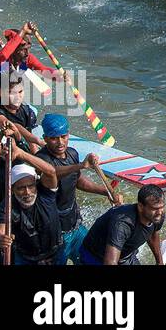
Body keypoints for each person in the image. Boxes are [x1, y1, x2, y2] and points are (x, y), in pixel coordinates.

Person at [34, 112, 116, 266]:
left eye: (63, 136)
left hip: (75, 225)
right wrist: (80, 165)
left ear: (68, 135)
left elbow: (77, 180)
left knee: (93, 259)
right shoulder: (41, 159)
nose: (60, 142)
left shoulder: (72, 153)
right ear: (45, 139)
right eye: (54, 138)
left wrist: (104, 190)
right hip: (54, 232)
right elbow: (51, 171)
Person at [0, 140, 62, 266]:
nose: (27, 192)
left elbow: (51, 171)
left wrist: (21, 154)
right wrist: (1, 240)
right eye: (21, 188)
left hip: (55, 252)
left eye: (30, 186)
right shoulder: (7, 205)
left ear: (36, 184)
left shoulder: (46, 194)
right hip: (26, 258)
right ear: (12, 189)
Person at [79, 183, 166, 265]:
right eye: (154, 208)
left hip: (126, 256)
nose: (159, 212)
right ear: (140, 207)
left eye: (162, 207)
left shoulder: (157, 216)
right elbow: (110, 262)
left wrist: (159, 262)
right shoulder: (122, 224)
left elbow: (152, 234)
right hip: (95, 257)